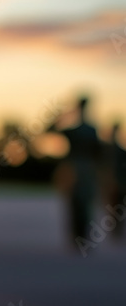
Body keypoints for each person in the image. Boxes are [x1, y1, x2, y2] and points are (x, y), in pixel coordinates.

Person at [50, 97, 101, 245]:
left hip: (80, 170)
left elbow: (97, 152)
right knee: (78, 203)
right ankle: (79, 237)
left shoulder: (87, 130)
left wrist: (66, 115)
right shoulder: (86, 130)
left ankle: (80, 236)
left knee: (81, 204)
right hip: (75, 170)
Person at [107, 122, 126, 237]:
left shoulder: (118, 151)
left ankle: (117, 231)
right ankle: (116, 231)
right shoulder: (111, 150)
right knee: (114, 208)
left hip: (119, 184)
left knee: (117, 208)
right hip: (114, 183)